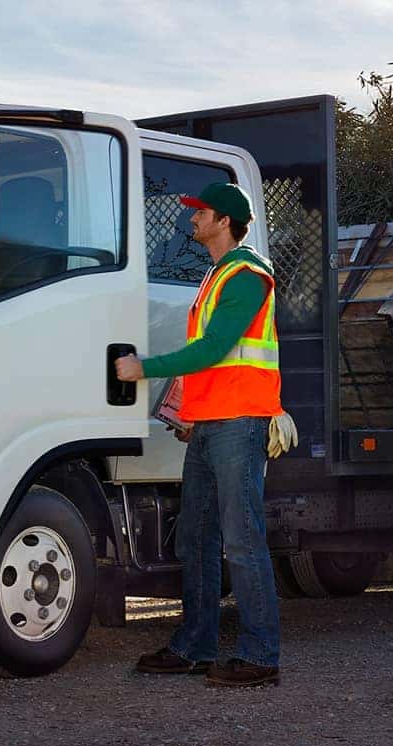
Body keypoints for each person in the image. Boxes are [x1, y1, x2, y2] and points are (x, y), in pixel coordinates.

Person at [116, 182, 283, 688]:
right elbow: (212, 363)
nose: (191, 220)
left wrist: (142, 369)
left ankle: (260, 658)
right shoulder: (218, 273)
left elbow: (213, 349)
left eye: (200, 212)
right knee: (196, 538)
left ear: (225, 221)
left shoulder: (248, 275)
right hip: (210, 424)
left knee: (242, 540)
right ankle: (195, 646)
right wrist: (188, 412)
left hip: (239, 424)